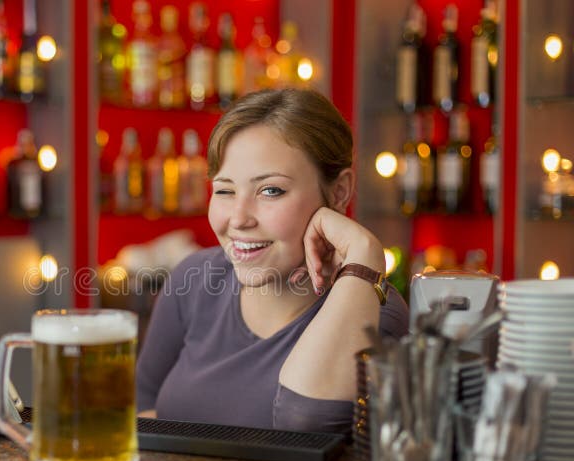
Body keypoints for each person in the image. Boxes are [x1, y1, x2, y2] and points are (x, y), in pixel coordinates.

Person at [135, 88, 409, 435]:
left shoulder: (374, 311)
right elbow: (142, 406)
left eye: (270, 190)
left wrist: (364, 249)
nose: (238, 219)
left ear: (339, 192)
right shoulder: (195, 278)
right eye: (224, 190)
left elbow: (309, 423)